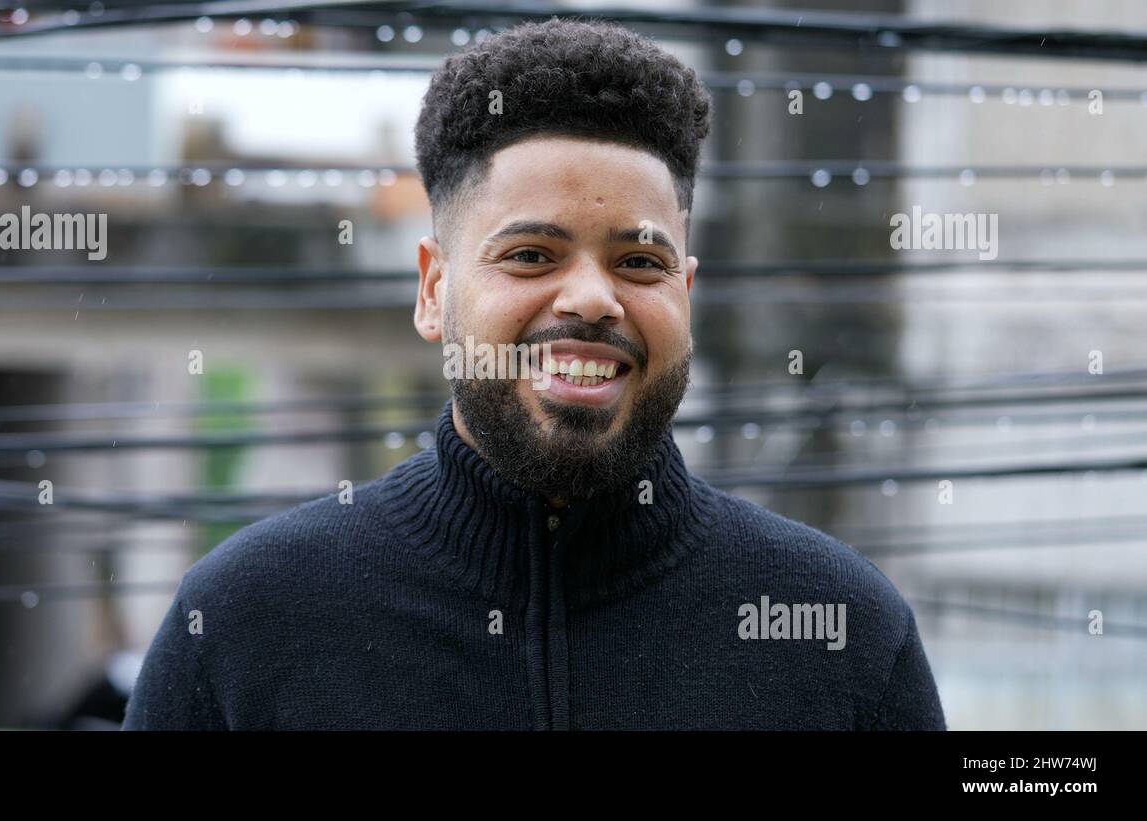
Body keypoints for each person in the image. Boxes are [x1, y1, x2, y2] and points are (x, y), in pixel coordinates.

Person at [123, 17, 946, 730]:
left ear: (685, 293)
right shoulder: (242, 623)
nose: (592, 298)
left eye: (638, 260)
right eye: (530, 255)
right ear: (433, 289)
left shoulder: (845, 634)